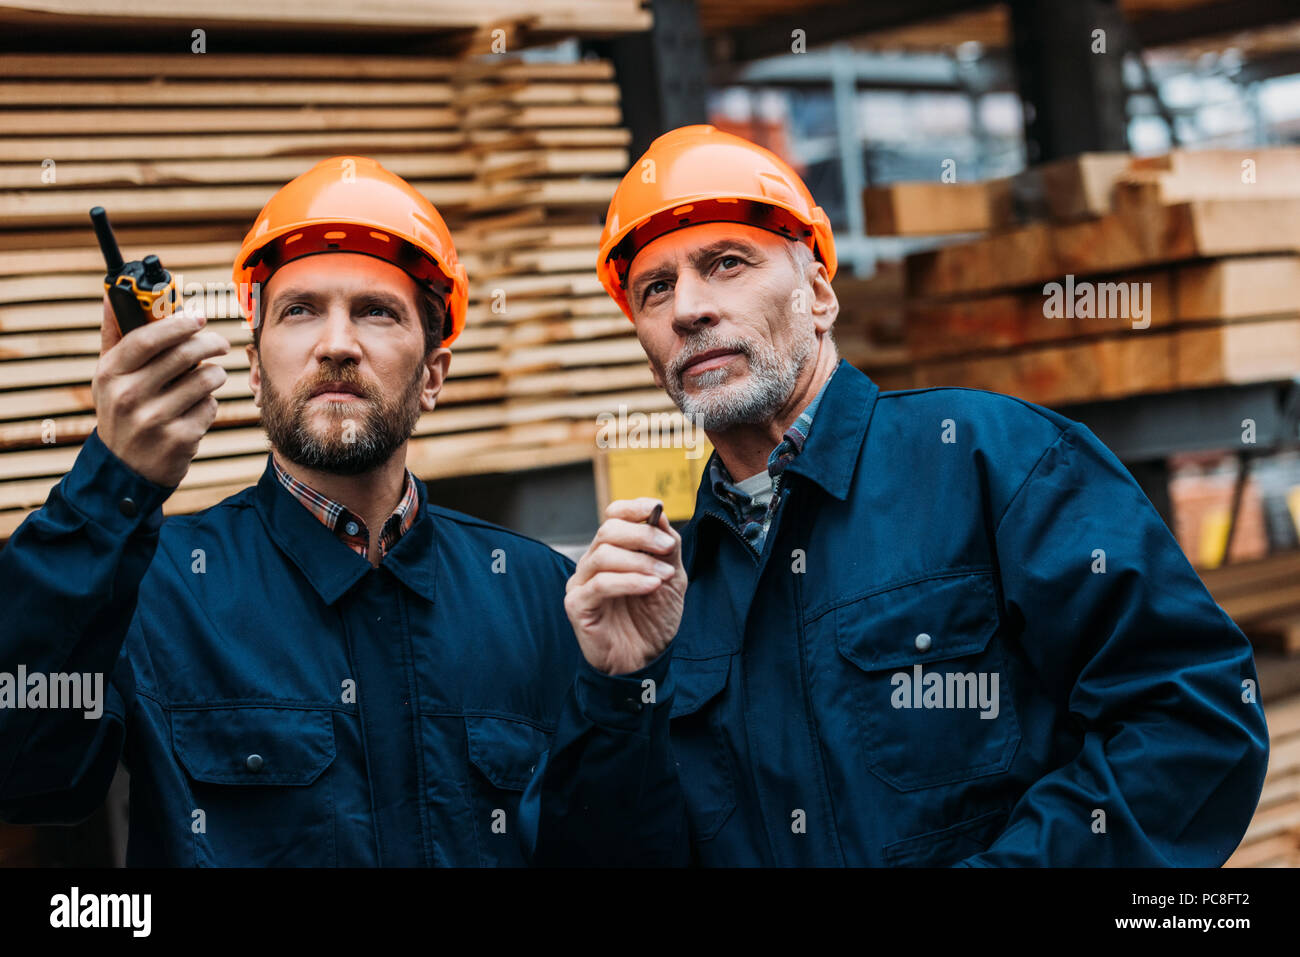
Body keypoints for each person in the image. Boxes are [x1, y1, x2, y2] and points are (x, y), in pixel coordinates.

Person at [558, 124, 1270, 866]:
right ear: (648, 350)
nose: (688, 309)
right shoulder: (664, 594)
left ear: (820, 297)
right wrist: (618, 692)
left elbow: (1195, 718)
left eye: (726, 263)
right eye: (655, 289)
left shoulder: (994, 460)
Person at [0, 156, 686, 866]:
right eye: (300, 310)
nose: (335, 344)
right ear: (256, 366)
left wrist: (624, 692)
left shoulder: (540, 594)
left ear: (433, 376)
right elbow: (23, 774)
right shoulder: (154, 586)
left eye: (376, 312)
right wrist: (111, 486)